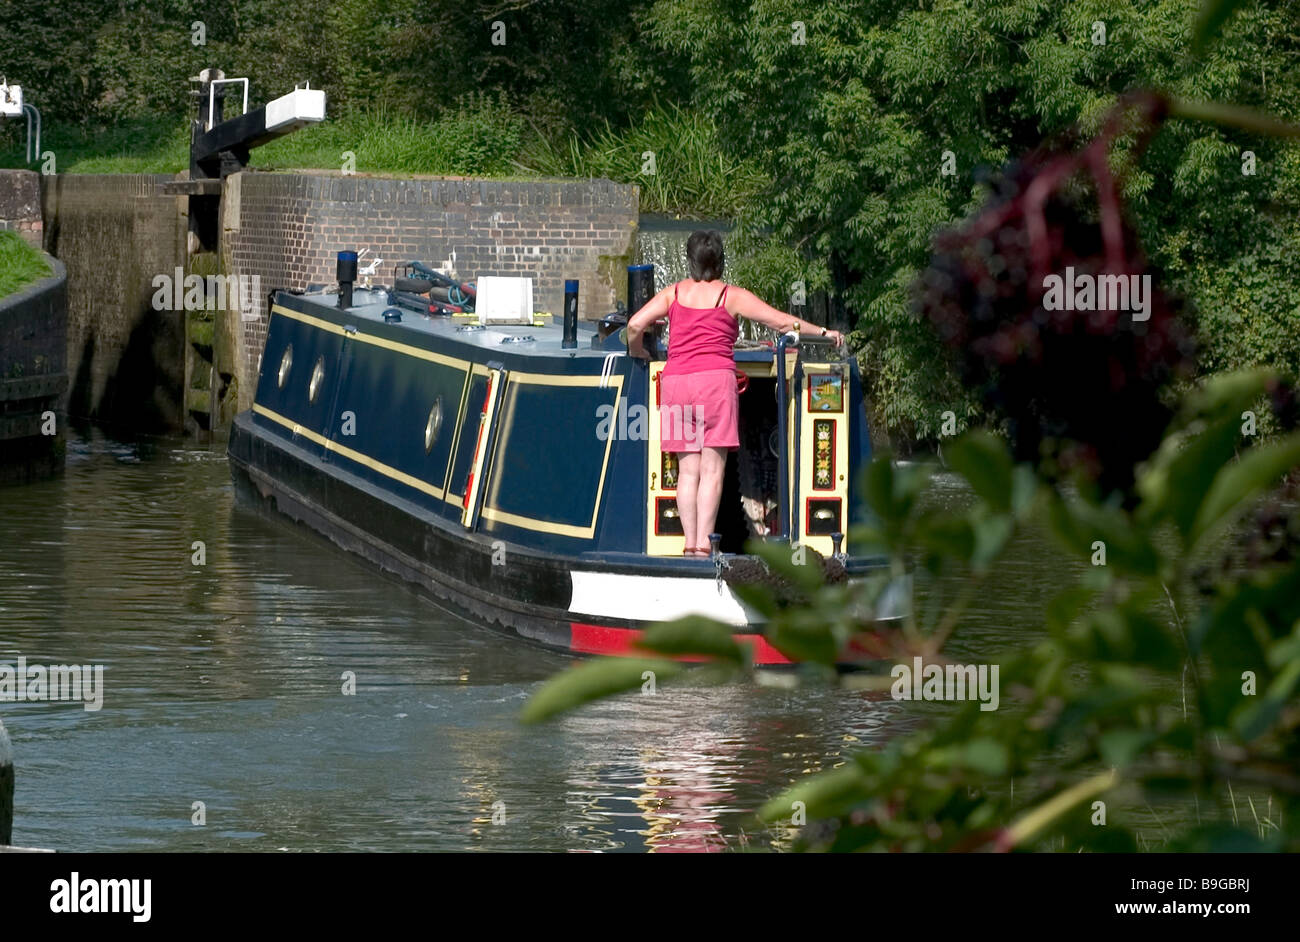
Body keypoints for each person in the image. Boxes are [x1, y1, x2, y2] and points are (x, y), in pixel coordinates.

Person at [626, 230, 844, 557]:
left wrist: (638, 352)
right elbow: (783, 324)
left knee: (687, 471)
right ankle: (704, 546)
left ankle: (688, 545)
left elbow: (634, 325)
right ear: (721, 263)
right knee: (713, 470)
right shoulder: (731, 296)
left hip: (677, 383)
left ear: (690, 262)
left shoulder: (673, 293)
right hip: (715, 384)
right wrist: (825, 332)